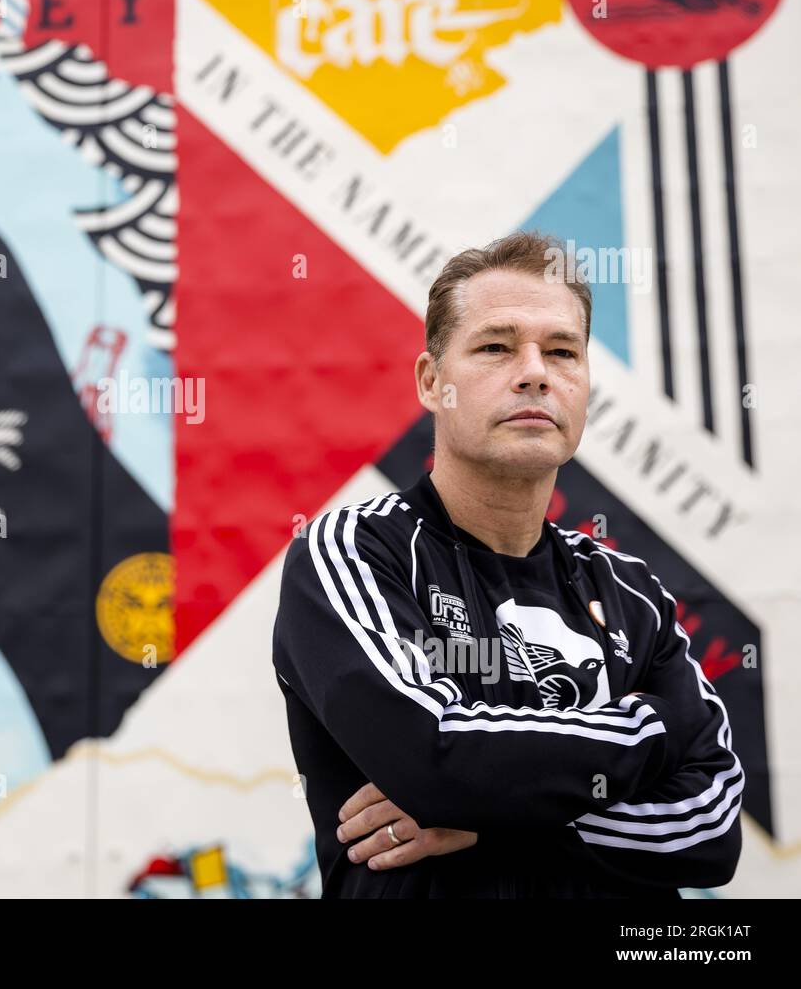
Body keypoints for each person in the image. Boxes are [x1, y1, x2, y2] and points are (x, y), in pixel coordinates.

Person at [272, 231, 743, 898]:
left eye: (561, 351)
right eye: (496, 346)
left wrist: (493, 817)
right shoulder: (353, 550)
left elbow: (710, 830)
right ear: (432, 382)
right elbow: (432, 754)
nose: (534, 371)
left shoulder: (631, 591)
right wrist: (653, 725)